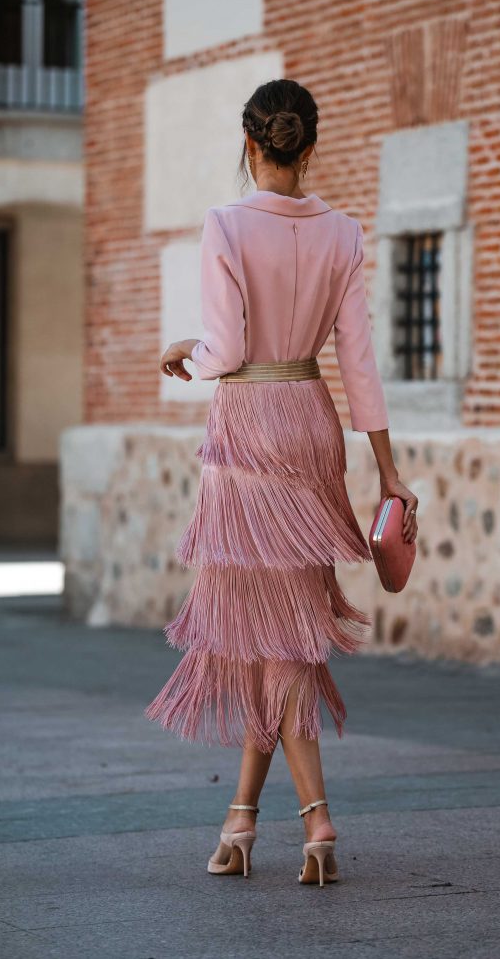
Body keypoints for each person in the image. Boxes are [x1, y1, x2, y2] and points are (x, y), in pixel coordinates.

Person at [145, 78, 419, 887]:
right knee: (279, 626)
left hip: (247, 426)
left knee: (277, 633)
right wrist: (390, 470)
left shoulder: (225, 223)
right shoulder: (342, 232)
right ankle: (241, 819)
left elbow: (225, 351)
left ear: (250, 143)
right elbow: (360, 365)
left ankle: (318, 821)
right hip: (309, 416)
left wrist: (185, 353)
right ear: (309, 147)